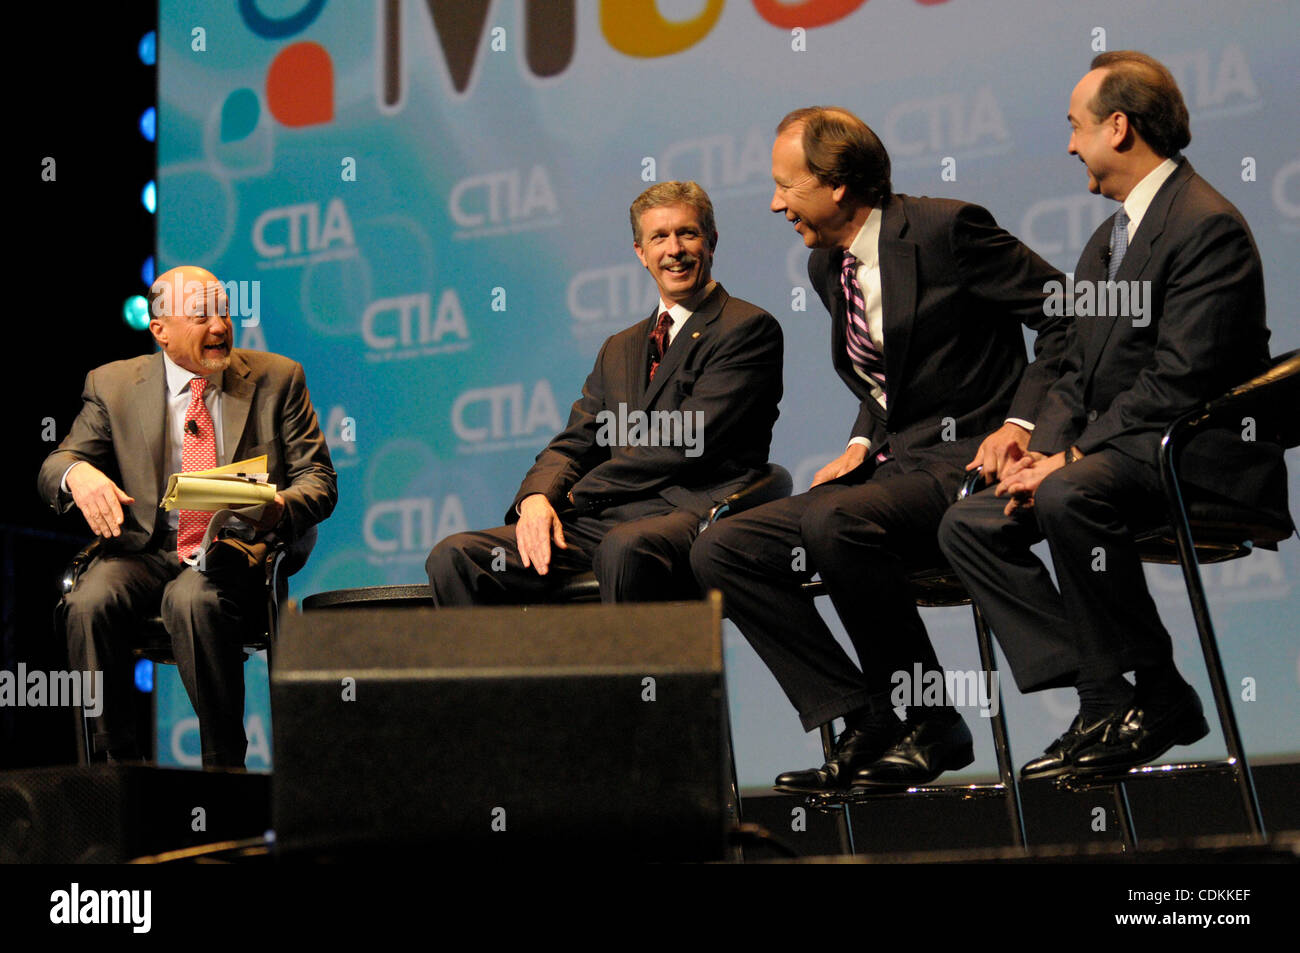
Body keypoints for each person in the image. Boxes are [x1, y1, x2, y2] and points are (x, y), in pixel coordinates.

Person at [691, 107, 1067, 791]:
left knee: (836, 519)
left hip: (968, 462)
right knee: (723, 548)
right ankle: (868, 714)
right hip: (897, 464)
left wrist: (1023, 426)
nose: (776, 203)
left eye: (786, 185)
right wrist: (862, 438)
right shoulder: (824, 264)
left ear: (837, 184)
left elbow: (1066, 317)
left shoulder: (946, 230)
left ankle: (933, 721)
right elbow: (889, 370)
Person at [938, 51, 1288, 779]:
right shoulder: (1110, 239)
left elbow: (1180, 381)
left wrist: (1068, 461)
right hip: (1114, 450)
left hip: (1192, 449)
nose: (1069, 144)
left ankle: (1143, 696)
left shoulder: (1204, 225)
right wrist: (1040, 445)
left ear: (1118, 127)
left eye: (1076, 126)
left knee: (1071, 492)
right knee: (970, 523)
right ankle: (1122, 697)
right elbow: (1073, 372)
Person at [426, 181, 783, 604]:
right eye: (659, 237)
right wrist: (538, 498)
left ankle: (637, 674)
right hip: (606, 523)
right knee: (456, 556)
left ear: (711, 242)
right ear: (640, 252)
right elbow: (578, 440)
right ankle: (511, 673)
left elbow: (685, 440)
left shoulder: (746, 328)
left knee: (626, 548)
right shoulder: (620, 347)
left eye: (687, 233)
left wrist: (575, 496)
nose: (674, 249)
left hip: (690, 514)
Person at [39, 265, 337, 768]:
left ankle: (224, 767)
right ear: (161, 330)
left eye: (223, 311)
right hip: (146, 551)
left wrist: (280, 505)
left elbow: (319, 481)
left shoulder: (278, 378)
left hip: (234, 553)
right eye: (201, 316)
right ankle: (115, 771)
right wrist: (77, 475)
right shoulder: (112, 384)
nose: (219, 326)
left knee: (191, 599)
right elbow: (55, 464)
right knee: (87, 600)